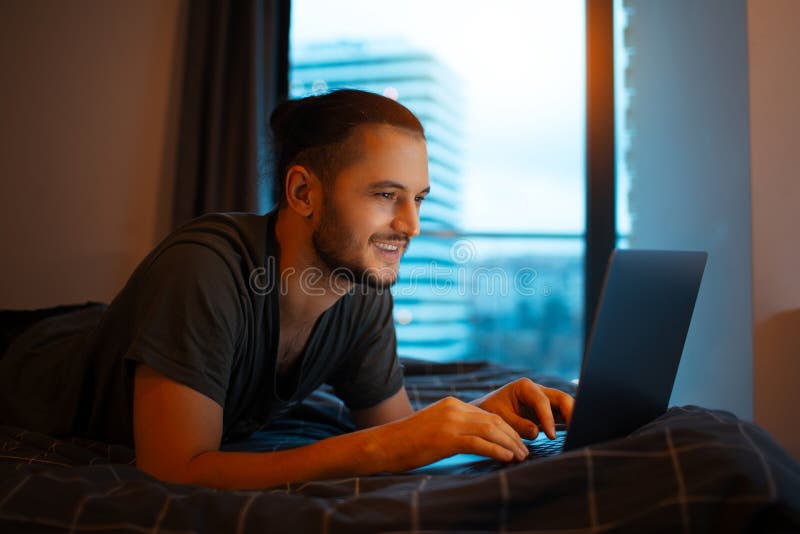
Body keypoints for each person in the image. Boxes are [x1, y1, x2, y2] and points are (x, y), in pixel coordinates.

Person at [0, 89, 574, 490]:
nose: (411, 225)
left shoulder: (363, 291)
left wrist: (482, 414)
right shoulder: (206, 268)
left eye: (417, 198)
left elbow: (396, 431)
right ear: (303, 192)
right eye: (384, 195)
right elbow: (172, 471)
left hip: (116, 327)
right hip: (28, 356)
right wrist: (377, 452)